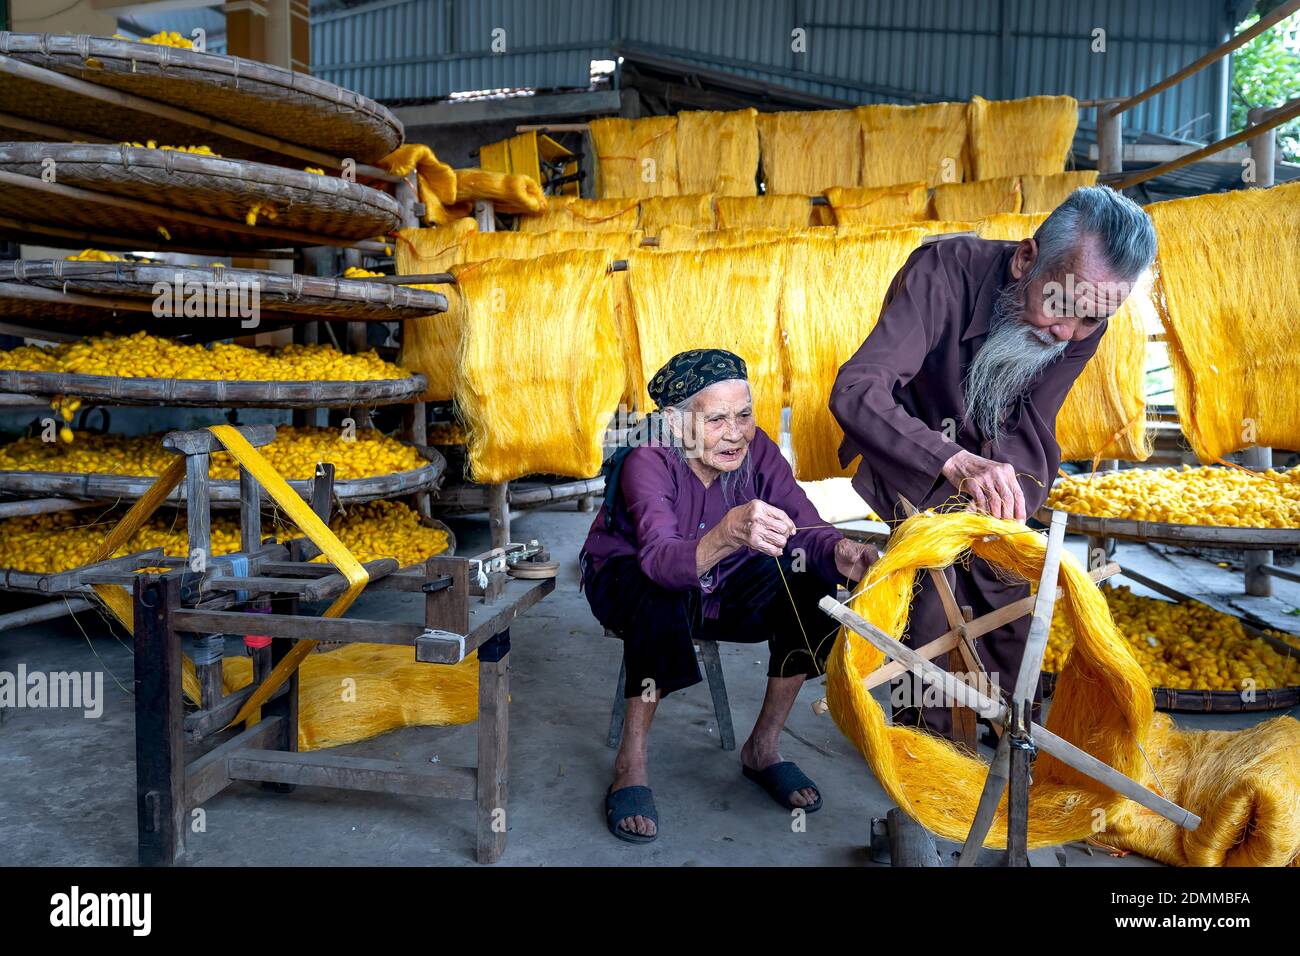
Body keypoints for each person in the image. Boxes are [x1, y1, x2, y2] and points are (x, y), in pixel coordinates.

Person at [829, 186, 1157, 736]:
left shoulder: (1082, 320)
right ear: (1026, 259)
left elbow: (1031, 421)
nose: (1066, 334)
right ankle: (928, 751)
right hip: (911, 451)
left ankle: (1006, 727)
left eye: (1090, 321)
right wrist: (953, 460)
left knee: (1012, 586)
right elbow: (859, 389)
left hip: (1000, 458)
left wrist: (1006, 504)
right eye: (1061, 307)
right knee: (936, 594)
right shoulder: (943, 272)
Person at [581, 348, 876, 843]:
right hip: (628, 579)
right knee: (657, 593)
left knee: (810, 582)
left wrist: (840, 551)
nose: (736, 432)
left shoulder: (757, 451)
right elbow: (658, 558)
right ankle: (630, 763)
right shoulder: (649, 458)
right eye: (716, 419)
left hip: (722, 581)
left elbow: (803, 524)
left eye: (744, 414)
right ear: (676, 425)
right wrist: (727, 533)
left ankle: (763, 747)